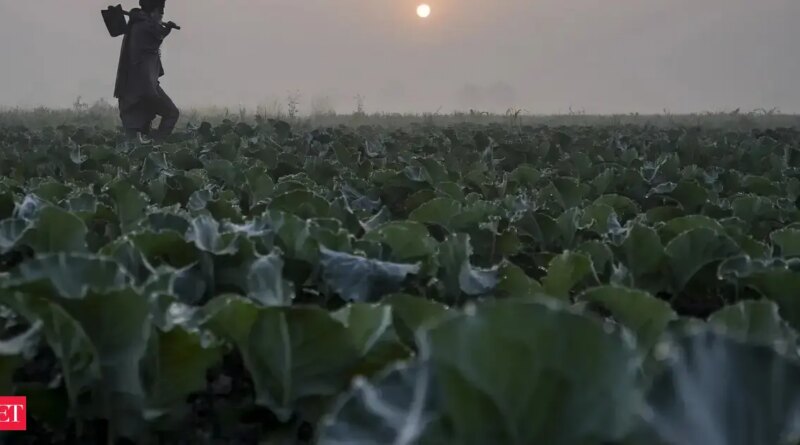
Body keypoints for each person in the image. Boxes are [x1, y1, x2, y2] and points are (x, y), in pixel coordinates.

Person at [113, 0, 179, 141]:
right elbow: (155, 35)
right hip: (143, 89)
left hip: (134, 90)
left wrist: (165, 31)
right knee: (171, 113)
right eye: (160, 13)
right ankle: (155, 143)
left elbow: (156, 35)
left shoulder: (138, 24)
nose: (161, 17)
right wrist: (166, 30)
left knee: (137, 135)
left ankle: (149, 145)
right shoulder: (144, 28)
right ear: (153, 12)